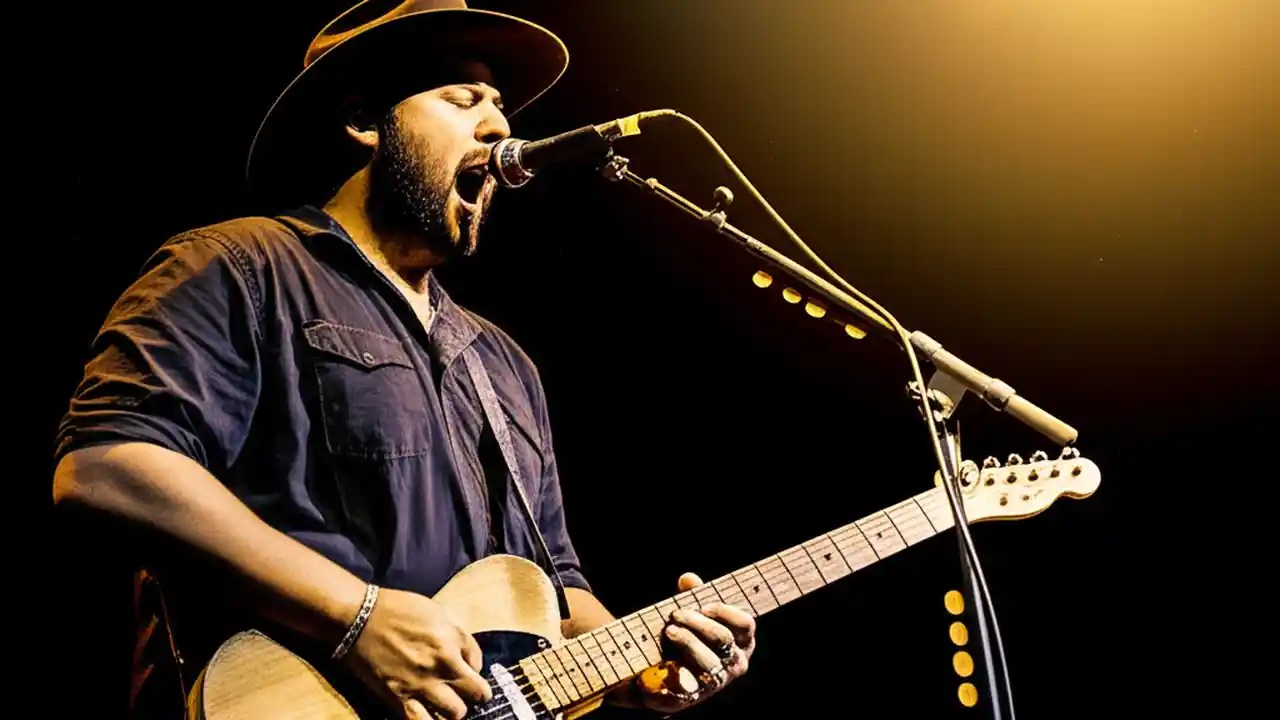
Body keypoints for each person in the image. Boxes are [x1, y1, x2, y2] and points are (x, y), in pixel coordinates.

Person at [51, 1, 756, 719]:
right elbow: (106, 466)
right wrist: (355, 616)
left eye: (500, 106)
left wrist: (643, 669)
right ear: (364, 121)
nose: (500, 127)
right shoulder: (241, 266)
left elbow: (556, 594)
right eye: (464, 99)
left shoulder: (505, 365)